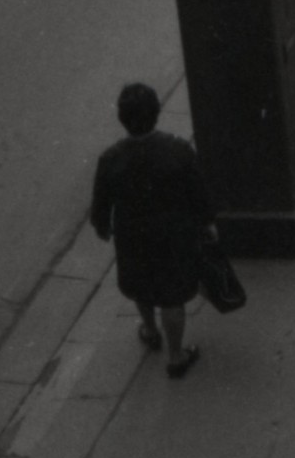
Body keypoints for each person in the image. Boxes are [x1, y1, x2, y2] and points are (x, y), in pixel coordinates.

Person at [90, 82, 214, 379]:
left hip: (133, 237)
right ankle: (176, 356)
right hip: (173, 235)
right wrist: (205, 225)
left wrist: (103, 228)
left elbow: (101, 206)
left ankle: (149, 328)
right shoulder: (178, 150)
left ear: (122, 118)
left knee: (140, 284)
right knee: (172, 295)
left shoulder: (111, 159)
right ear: (157, 113)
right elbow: (200, 196)